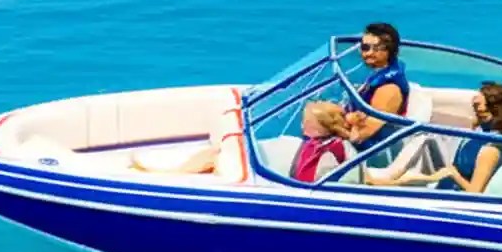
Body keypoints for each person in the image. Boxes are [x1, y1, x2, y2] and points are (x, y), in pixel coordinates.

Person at [366, 81, 502, 194]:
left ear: (492, 109)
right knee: (425, 141)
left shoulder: (491, 149)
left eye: (478, 108)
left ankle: (384, 181)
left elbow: (475, 193)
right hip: (447, 184)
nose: (475, 112)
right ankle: (386, 180)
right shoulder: (490, 135)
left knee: (416, 175)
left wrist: (452, 174)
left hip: (451, 197)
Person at [131, 100, 351, 181]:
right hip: (279, 168)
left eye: (307, 122)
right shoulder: (324, 143)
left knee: (215, 157)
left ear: (322, 127)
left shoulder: (329, 152)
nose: (302, 126)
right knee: (215, 154)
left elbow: (317, 181)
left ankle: (174, 173)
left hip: (280, 179)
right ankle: (178, 170)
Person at [344, 22, 410, 150]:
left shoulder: (389, 90)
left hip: (370, 152)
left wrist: (332, 126)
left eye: (376, 48)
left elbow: (362, 135)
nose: (368, 53)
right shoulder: (379, 73)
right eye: (365, 47)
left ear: (390, 50)